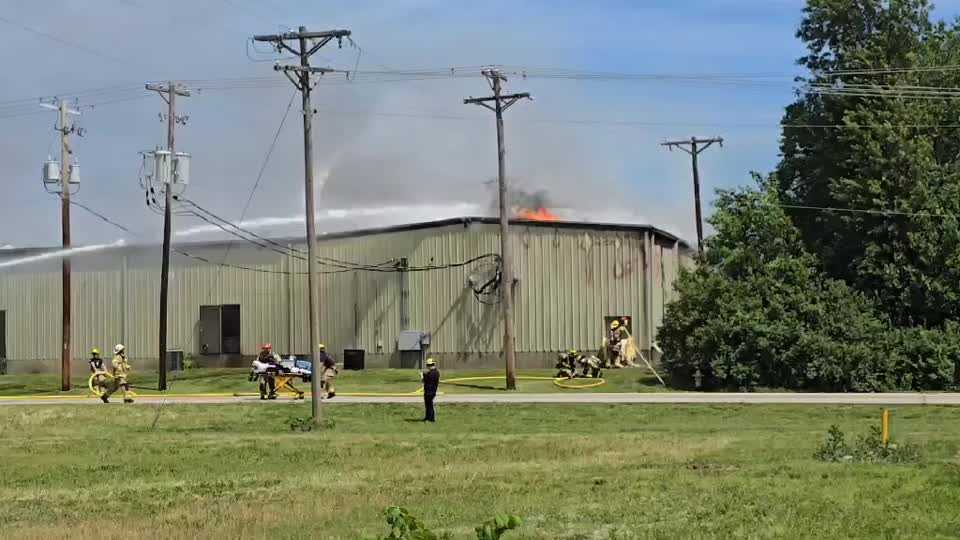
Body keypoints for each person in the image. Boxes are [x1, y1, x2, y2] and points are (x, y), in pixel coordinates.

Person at [421, 357, 440, 422]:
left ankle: (431, 419)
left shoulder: (430, 373)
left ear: (429, 365)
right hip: (432, 391)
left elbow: (424, 381)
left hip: (429, 392)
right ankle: (427, 417)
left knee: (429, 405)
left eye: (427, 365)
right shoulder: (436, 372)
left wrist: (422, 376)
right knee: (428, 405)